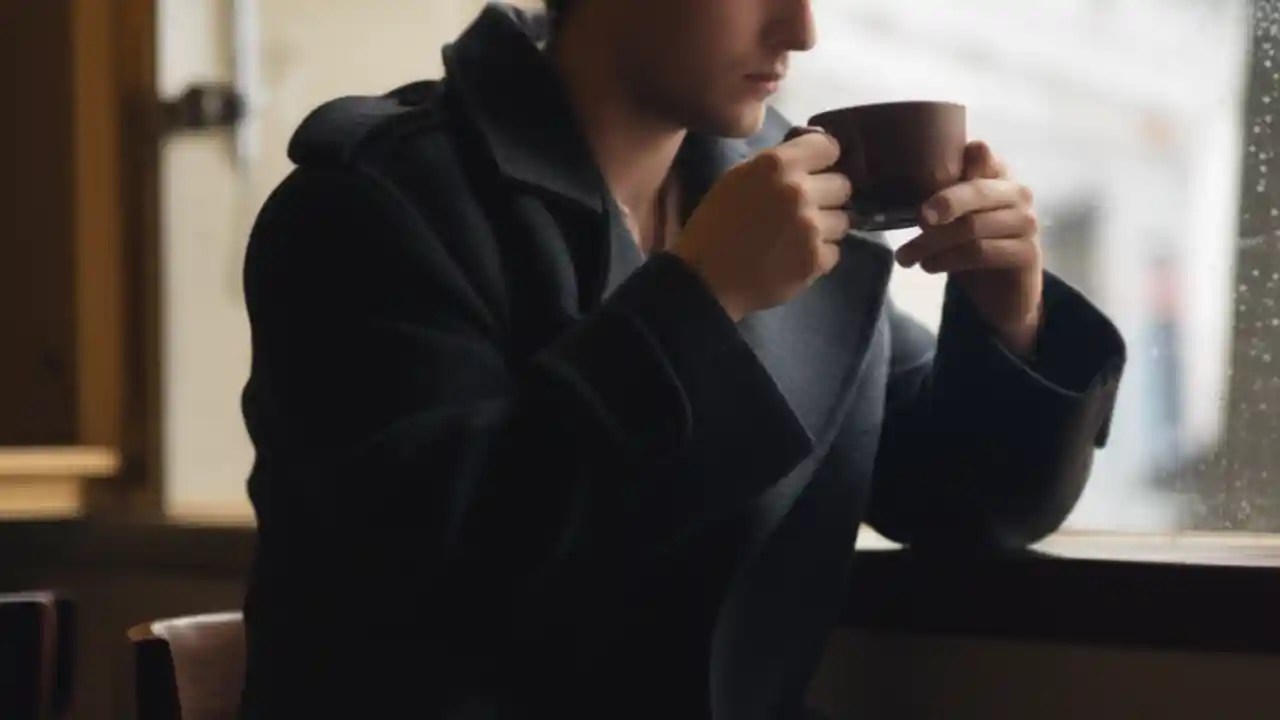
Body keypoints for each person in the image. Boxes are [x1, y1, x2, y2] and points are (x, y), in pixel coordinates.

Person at [237, 1, 1126, 718]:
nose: (801, 29)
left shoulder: (783, 196)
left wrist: (1010, 312)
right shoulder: (372, 208)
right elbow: (452, 582)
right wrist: (698, 302)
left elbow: (961, 501)